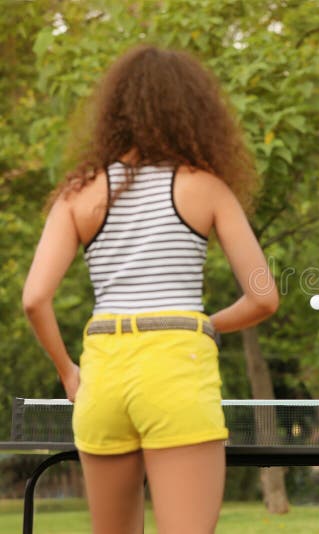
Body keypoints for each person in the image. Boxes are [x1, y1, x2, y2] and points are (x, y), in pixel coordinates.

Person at [22, 45, 279, 534]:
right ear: (192, 110)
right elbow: (264, 295)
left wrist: (68, 373)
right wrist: (207, 323)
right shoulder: (206, 188)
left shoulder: (79, 193)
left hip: (103, 372)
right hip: (175, 368)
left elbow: (34, 298)